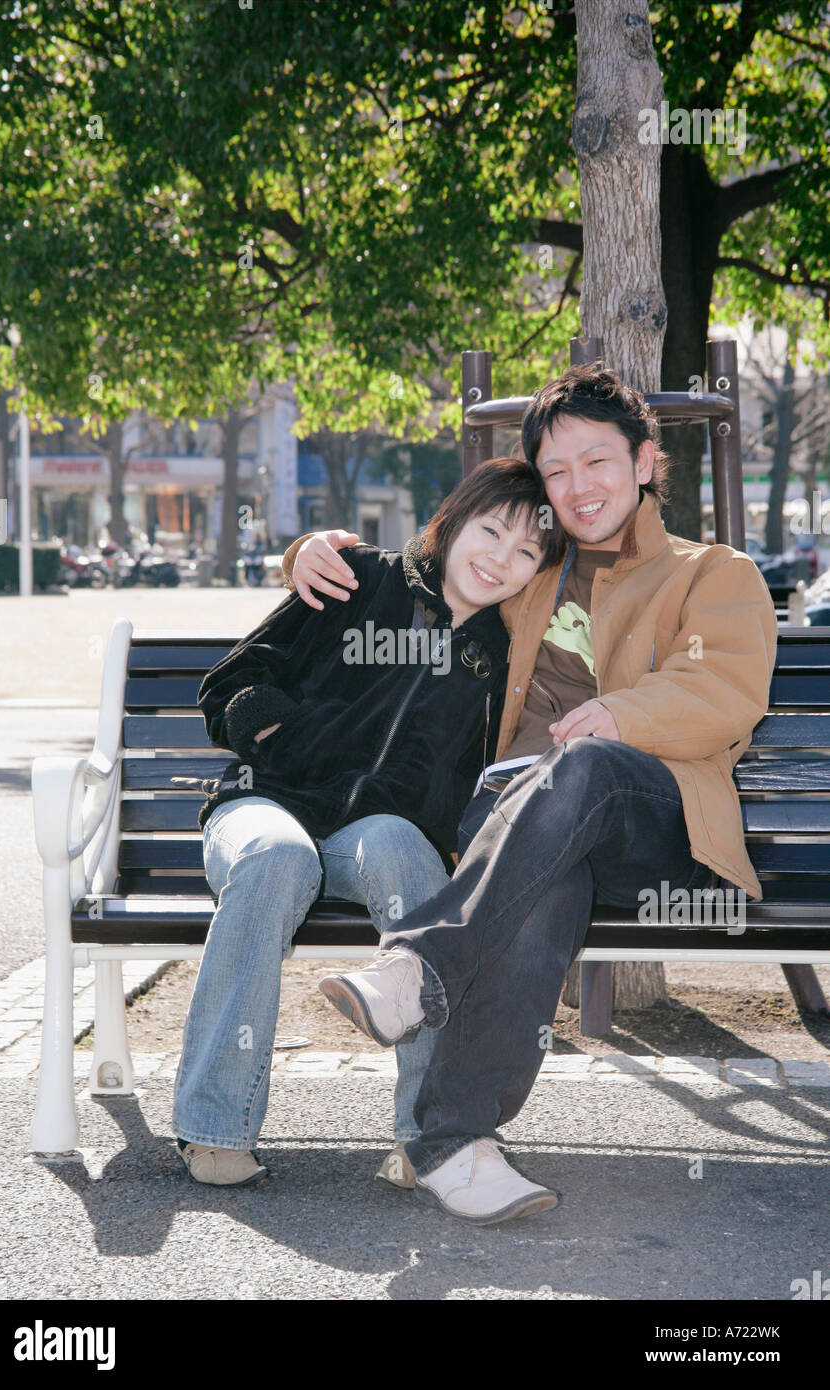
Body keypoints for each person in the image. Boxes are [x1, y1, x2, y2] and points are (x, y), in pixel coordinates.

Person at [287, 364, 777, 1225]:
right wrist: (312, 550)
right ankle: (451, 1149)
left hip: (650, 818)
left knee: (579, 770)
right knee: (550, 867)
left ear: (645, 460)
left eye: (597, 461)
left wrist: (615, 716)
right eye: (557, 471)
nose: (578, 486)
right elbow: (431, 572)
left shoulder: (713, 573)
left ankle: (420, 967)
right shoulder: (532, 575)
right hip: (518, 824)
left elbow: (722, 694)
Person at [172, 457, 547, 1186]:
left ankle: (429, 1135)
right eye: (491, 530)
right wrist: (281, 738)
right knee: (277, 858)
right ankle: (214, 1126)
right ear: (454, 520)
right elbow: (232, 683)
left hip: (371, 836)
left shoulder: (503, 655)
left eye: (526, 551)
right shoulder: (357, 578)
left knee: (408, 853)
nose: (501, 558)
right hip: (266, 805)